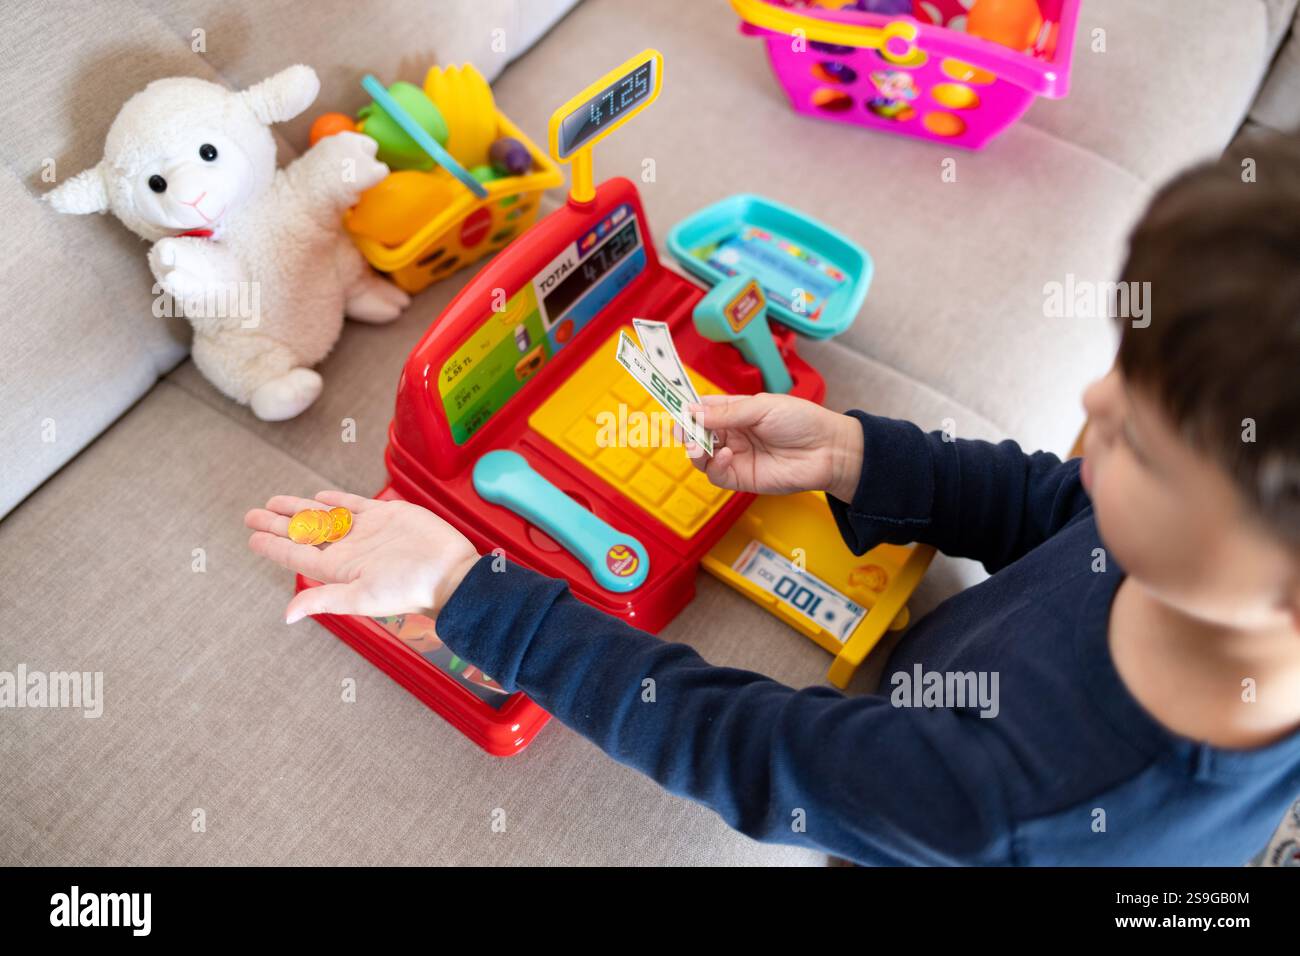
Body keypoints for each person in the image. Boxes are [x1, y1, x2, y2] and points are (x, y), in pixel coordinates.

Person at [245, 136, 1300, 865]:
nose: (1092, 399)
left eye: (1146, 445)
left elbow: (755, 752)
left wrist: (466, 588)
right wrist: (853, 455)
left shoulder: (1012, 808)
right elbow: (1052, 506)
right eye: (1123, 367)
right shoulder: (1201, 575)